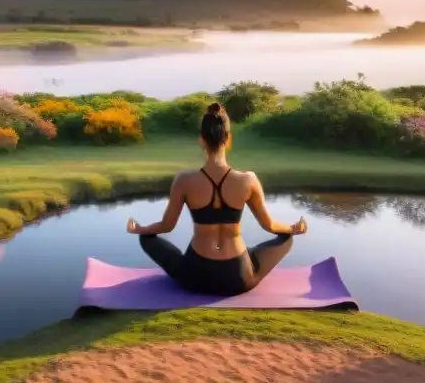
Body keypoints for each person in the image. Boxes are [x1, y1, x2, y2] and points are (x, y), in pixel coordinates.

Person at [126, 102, 307, 297]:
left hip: (196, 276)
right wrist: (292, 229)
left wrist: (140, 229)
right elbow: (269, 225)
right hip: (238, 278)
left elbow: (167, 225)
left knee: (147, 239)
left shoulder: (184, 180)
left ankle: (148, 238)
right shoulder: (248, 180)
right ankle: (250, 255)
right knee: (285, 238)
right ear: (228, 139)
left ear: (202, 140)